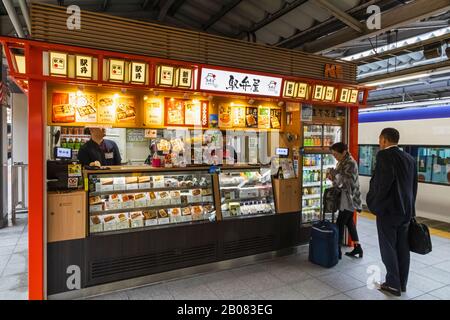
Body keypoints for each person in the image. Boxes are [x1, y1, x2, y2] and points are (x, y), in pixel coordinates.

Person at [366, 128, 418, 297]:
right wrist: (411, 210)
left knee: (388, 247)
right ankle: (402, 283)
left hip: (389, 211)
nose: (379, 143)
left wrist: (373, 203)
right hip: (406, 211)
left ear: (384, 140)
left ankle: (392, 284)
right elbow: (413, 187)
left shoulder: (384, 156)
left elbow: (383, 184)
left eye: (380, 139)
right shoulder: (409, 158)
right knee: (403, 248)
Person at [327, 142, 363, 260]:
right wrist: (332, 176)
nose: (335, 157)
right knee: (349, 222)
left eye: (336, 154)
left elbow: (347, 182)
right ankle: (357, 247)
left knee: (340, 223)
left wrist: (335, 175)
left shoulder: (350, 163)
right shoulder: (343, 161)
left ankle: (337, 250)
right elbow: (339, 180)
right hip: (345, 198)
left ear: (343, 152)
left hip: (349, 199)